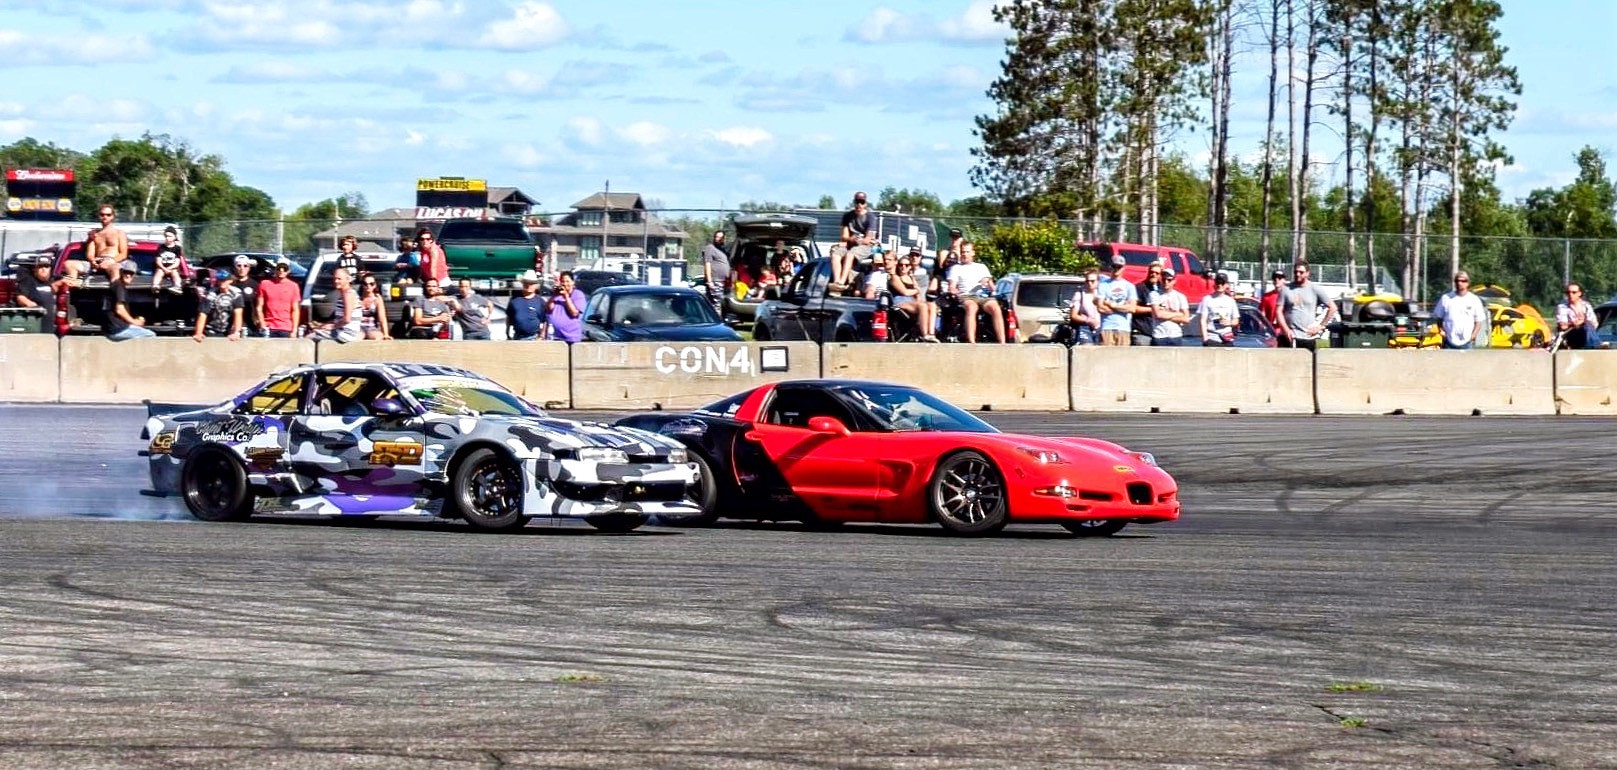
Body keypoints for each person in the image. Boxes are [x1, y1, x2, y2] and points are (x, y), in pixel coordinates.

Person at [945, 241, 1006, 344]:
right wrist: (954, 291)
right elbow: (952, 286)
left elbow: (991, 285)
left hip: (982, 295)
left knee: (995, 307)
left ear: (973, 253)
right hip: (966, 296)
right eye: (963, 252)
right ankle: (972, 341)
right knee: (972, 307)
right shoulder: (956, 268)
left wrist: (994, 290)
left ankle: (1002, 342)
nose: (964, 254)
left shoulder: (981, 267)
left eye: (967, 252)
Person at [1280, 260, 1337, 350]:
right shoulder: (1286, 289)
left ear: (1307, 273)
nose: (1298, 274)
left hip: (1308, 337)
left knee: (1308, 363)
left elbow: (1333, 308)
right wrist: (1286, 329)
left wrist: (1320, 326)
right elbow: (1278, 311)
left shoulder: (1314, 288)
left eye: (1301, 272)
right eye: (1295, 272)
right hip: (1291, 336)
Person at [65, 204, 127, 283]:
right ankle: (72, 289)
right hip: (96, 262)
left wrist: (111, 261)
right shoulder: (94, 234)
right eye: (102, 214)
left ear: (113, 216)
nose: (105, 217)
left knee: (115, 269)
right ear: (99, 216)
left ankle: (115, 292)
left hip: (112, 262)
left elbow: (123, 254)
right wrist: (92, 260)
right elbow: (90, 253)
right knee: (69, 264)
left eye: (108, 215)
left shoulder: (119, 233)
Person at [1430, 271, 1489, 350]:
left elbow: (1479, 321)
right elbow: (1438, 318)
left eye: (1463, 281)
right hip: (1448, 343)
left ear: (1468, 283)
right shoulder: (1446, 298)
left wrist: (1473, 336)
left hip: (1467, 343)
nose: (1460, 283)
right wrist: (1442, 333)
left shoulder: (1474, 300)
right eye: (1457, 281)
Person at [889, 252, 937, 342]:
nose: (903, 267)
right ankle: (924, 334)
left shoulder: (911, 277)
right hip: (900, 302)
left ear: (910, 266)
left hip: (912, 301)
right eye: (901, 265)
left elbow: (917, 294)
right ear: (897, 266)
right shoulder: (895, 277)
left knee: (931, 305)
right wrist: (917, 290)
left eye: (907, 265)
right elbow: (905, 292)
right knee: (922, 306)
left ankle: (931, 333)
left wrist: (915, 286)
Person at [833, 192, 877, 290]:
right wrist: (851, 239)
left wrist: (859, 241)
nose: (859, 205)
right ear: (854, 203)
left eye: (862, 202)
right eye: (857, 202)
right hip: (849, 244)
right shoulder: (847, 216)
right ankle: (836, 281)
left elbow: (869, 239)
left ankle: (842, 282)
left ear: (865, 203)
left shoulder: (871, 217)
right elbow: (844, 236)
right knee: (836, 254)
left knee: (850, 254)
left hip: (864, 247)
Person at [309, 268, 362, 343]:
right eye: (334, 279)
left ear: (348, 279)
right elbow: (340, 318)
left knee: (308, 337)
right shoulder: (347, 293)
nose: (336, 281)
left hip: (346, 333)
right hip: (343, 330)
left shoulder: (348, 294)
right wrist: (322, 325)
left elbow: (347, 319)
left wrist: (332, 326)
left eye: (339, 279)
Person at [105, 260, 155, 340]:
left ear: (134, 275)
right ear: (121, 272)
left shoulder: (115, 284)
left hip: (111, 329)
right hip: (117, 330)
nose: (128, 275)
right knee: (151, 335)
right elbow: (119, 310)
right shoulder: (119, 286)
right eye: (126, 272)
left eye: (131, 273)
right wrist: (134, 322)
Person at [1096, 255, 1138, 346]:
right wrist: (1122, 308)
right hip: (1107, 327)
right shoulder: (1103, 285)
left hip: (1123, 328)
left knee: (1122, 358)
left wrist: (1111, 305)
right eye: (1114, 266)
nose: (1116, 269)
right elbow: (1100, 308)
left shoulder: (1129, 286)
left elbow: (1132, 308)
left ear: (1123, 268)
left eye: (1119, 267)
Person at [13, 255, 62, 333]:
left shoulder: (52, 282)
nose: (43, 269)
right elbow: (21, 298)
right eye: (40, 267)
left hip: (51, 328)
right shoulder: (28, 281)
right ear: (35, 269)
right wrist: (35, 307)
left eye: (46, 267)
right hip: (35, 326)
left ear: (50, 269)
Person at [256, 256, 302, 338]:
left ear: (289, 271)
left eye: (285, 269)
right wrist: (262, 324)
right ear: (275, 269)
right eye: (279, 268)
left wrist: (294, 330)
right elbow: (259, 307)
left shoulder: (293, 286)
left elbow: (295, 310)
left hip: (286, 328)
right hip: (268, 327)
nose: (281, 271)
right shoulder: (264, 284)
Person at [192, 270, 243, 342]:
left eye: (224, 280)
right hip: (211, 329)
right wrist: (198, 333)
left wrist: (236, 332)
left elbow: (238, 313)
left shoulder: (236, 293)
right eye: (220, 280)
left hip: (228, 330)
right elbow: (203, 314)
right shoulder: (211, 294)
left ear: (230, 280)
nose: (222, 282)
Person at [1555, 282, 1608, 350]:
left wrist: (1583, 321)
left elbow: (1594, 324)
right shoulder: (1562, 307)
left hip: (1586, 334)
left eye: (1574, 292)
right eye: (1568, 292)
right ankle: (1597, 345)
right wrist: (1574, 323)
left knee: (1586, 324)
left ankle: (1594, 345)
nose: (1570, 295)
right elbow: (1563, 326)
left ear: (1579, 293)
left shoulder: (1586, 306)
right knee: (1585, 324)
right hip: (1571, 335)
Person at [1149, 267, 1191, 346]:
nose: (1166, 282)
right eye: (1164, 279)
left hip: (1175, 336)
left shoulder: (1180, 296)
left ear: (1174, 281)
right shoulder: (1154, 294)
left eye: (1169, 280)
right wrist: (1178, 313)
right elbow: (1158, 314)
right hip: (1159, 336)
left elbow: (1186, 318)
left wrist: (1165, 314)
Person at [1198, 274, 1240, 346]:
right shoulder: (1207, 299)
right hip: (1212, 337)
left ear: (1226, 285)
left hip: (1227, 338)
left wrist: (1230, 322)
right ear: (1215, 283)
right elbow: (1203, 320)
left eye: (1222, 283)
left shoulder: (1231, 301)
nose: (1220, 285)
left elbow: (1236, 320)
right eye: (1218, 282)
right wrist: (1205, 338)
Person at [544, 270, 587, 343]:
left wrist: (566, 296)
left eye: (567, 281)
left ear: (573, 282)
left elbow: (574, 313)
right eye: (563, 281)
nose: (565, 284)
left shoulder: (578, 295)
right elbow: (548, 309)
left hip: (571, 337)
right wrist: (554, 295)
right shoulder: (557, 295)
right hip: (555, 336)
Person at [1132, 262, 1168, 347]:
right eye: (1151, 272)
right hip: (1142, 332)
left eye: (1157, 273)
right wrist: (1153, 309)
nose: (1153, 275)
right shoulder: (1139, 288)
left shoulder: (1162, 289)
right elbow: (1134, 308)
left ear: (1161, 275)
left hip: (1159, 334)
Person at [231, 255, 264, 337]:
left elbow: (259, 305)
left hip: (250, 325)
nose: (242, 268)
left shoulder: (255, 284)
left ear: (249, 268)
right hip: (232, 324)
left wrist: (259, 321)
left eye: (245, 266)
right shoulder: (230, 284)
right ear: (235, 267)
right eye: (239, 266)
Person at [507, 271, 546, 341]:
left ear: (535, 285)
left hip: (534, 338)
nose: (529, 285)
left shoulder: (540, 301)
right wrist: (507, 332)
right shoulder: (514, 299)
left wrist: (541, 336)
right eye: (526, 282)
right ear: (523, 283)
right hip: (517, 337)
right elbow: (509, 317)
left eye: (531, 283)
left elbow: (545, 319)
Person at [1066, 269, 1102, 346]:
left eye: (1092, 281)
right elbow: (1073, 315)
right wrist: (1088, 320)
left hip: (1101, 327)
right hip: (1085, 327)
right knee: (1086, 351)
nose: (1089, 283)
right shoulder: (1080, 294)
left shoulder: (1102, 293)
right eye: (1087, 281)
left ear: (1098, 281)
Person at [701, 231, 730, 316]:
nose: (719, 239)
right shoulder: (710, 248)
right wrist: (710, 281)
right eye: (717, 237)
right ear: (714, 238)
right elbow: (707, 264)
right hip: (715, 281)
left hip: (724, 281)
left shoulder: (723, 250)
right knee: (716, 303)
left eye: (721, 238)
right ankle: (716, 321)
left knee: (721, 303)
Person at [356, 272, 392, 340]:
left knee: (378, 337)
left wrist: (386, 334)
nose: (368, 286)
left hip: (371, 327)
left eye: (371, 284)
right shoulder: (357, 298)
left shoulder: (377, 298)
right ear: (362, 285)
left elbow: (382, 318)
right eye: (365, 284)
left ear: (375, 285)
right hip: (358, 326)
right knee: (355, 338)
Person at [153, 226, 185, 294]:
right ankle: (155, 286)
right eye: (166, 236)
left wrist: (169, 268)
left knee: (175, 272)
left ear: (174, 237)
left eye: (170, 236)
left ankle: (177, 286)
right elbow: (158, 260)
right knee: (159, 271)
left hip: (172, 268)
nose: (167, 238)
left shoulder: (177, 248)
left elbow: (177, 262)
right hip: (162, 267)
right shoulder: (161, 247)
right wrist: (164, 268)